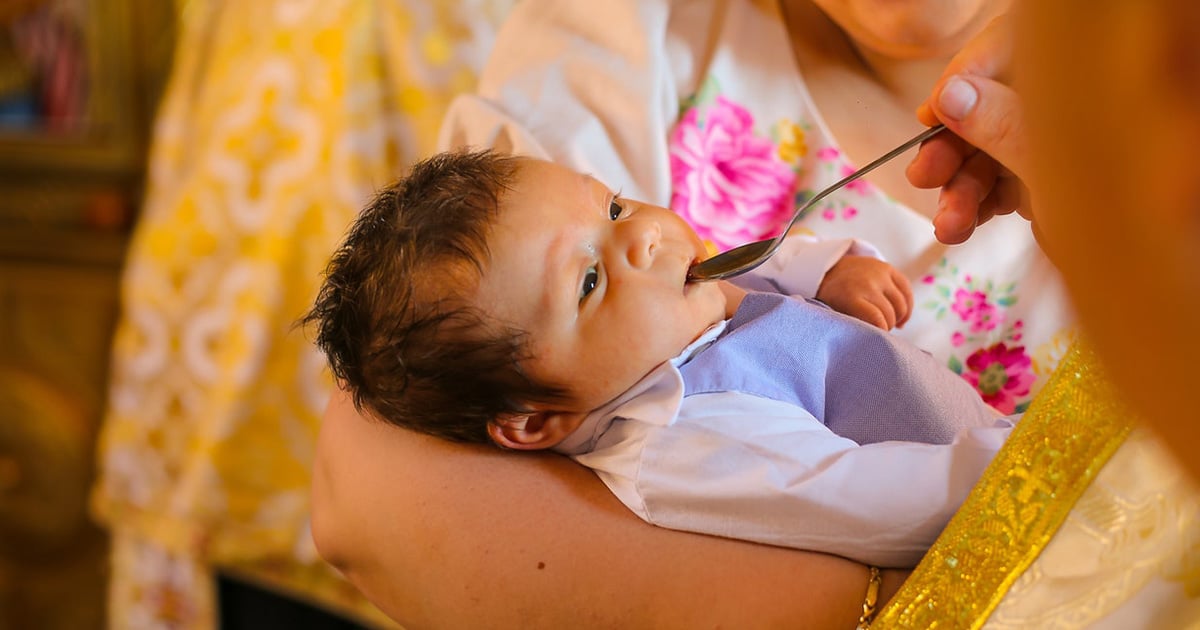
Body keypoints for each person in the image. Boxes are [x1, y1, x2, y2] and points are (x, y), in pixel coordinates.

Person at [306, 149, 1013, 573]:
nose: (644, 236)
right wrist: (1032, 461)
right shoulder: (687, 439)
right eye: (587, 282)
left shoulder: (670, 318)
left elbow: (751, 266)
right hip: (998, 511)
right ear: (536, 420)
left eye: (611, 208)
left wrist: (823, 270)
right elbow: (880, 501)